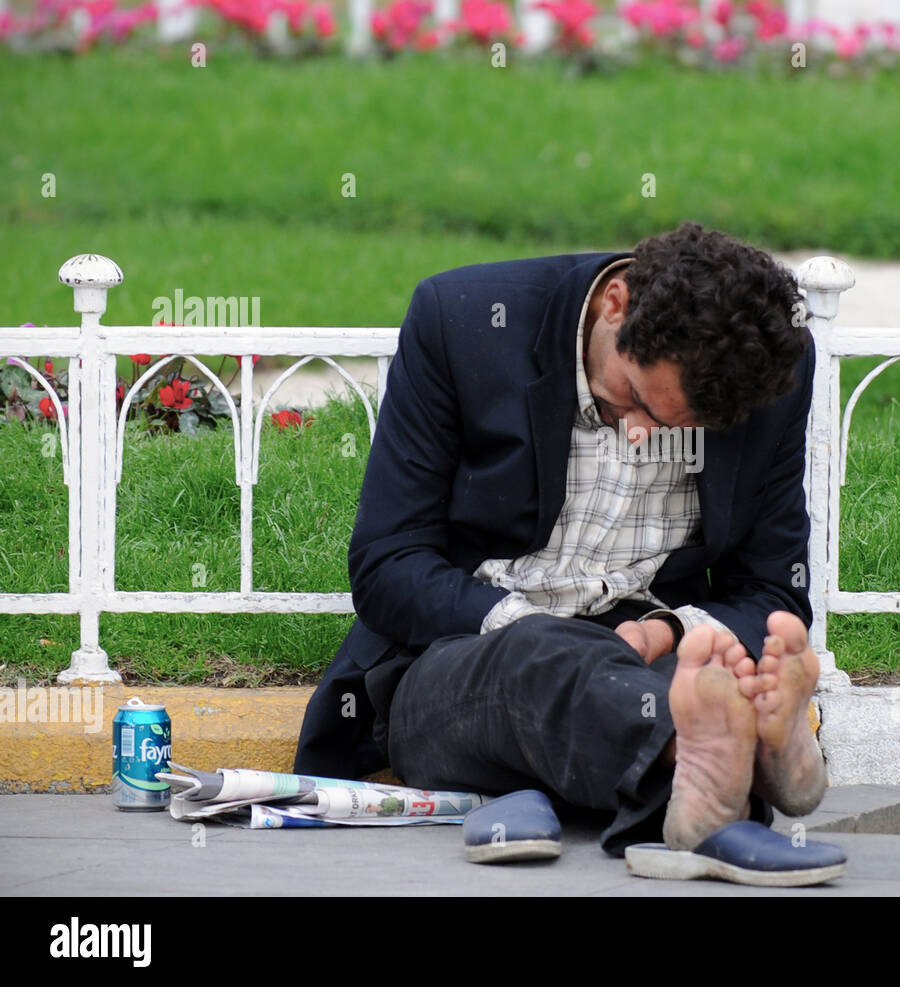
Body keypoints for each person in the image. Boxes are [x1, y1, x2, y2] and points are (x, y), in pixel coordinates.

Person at [293, 221, 827, 855]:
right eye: (631, 398)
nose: (640, 436)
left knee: (666, 686)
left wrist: (669, 633)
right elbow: (387, 564)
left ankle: (708, 777)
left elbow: (773, 592)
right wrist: (532, 626)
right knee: (544, 660)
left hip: (641, 657)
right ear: (616, 304)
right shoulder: (461, 321)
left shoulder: (765, 378)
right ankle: (733, 757)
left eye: (677, 426)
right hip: (461, 655)